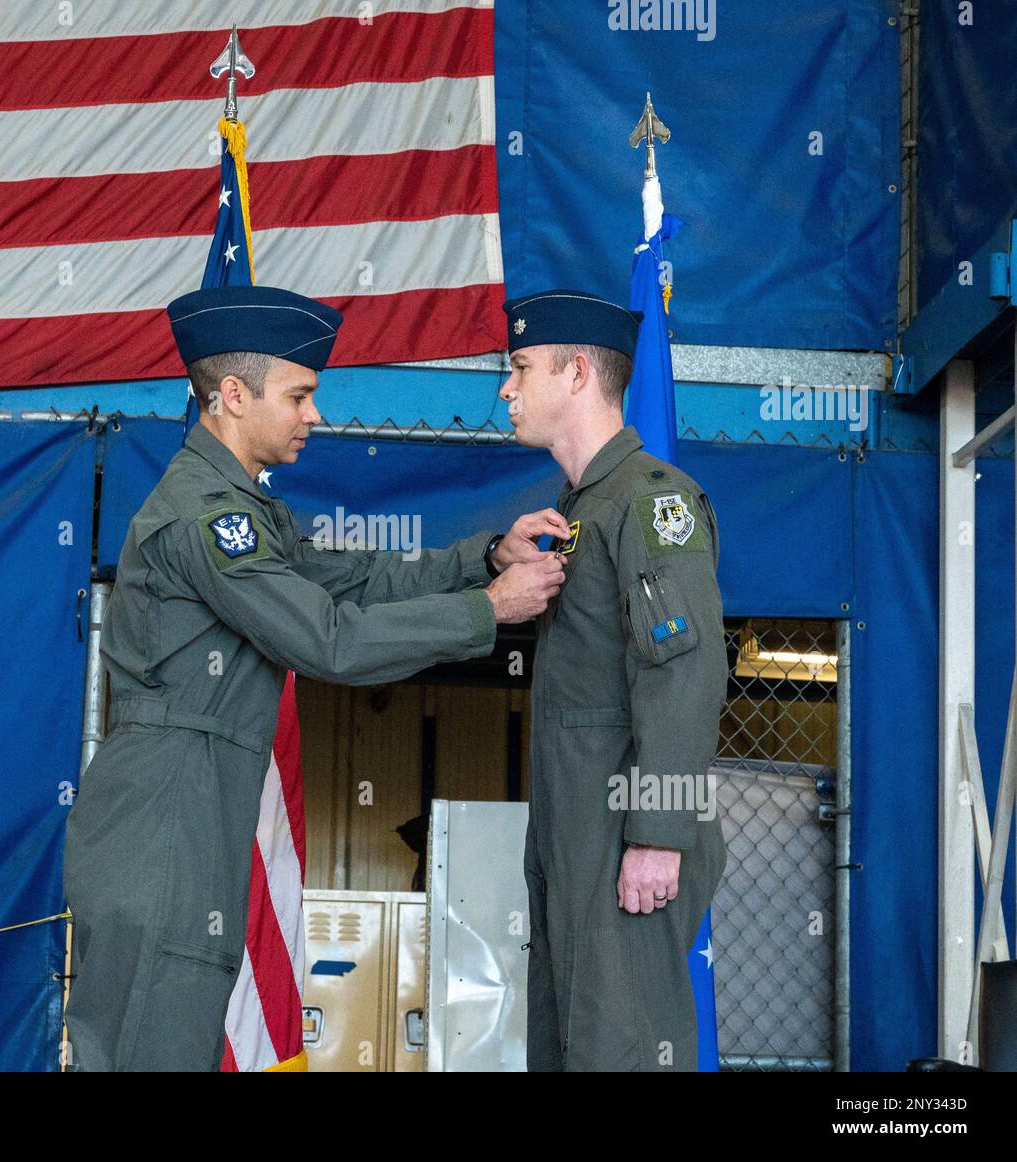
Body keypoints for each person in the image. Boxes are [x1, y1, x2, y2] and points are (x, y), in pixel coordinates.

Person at [62, 283, 566, 1071]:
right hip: (168, 824)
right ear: (233, 395)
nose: (314, 415)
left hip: (192, 814)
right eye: (299, 396)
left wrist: (482, 559)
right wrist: (487, 611)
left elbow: (347, 581)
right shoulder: (205, 518)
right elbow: (328, 640)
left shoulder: (242, 511)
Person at [493, 288, 729, 1072]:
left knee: (621, 1049)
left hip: (627, 833)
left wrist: (659, 835)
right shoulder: (584, 509)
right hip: (576, 836)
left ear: (577, 375)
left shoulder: (651, 500)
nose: (506, 388)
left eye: (520, 368)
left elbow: (687, 671)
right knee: (573, 1048)